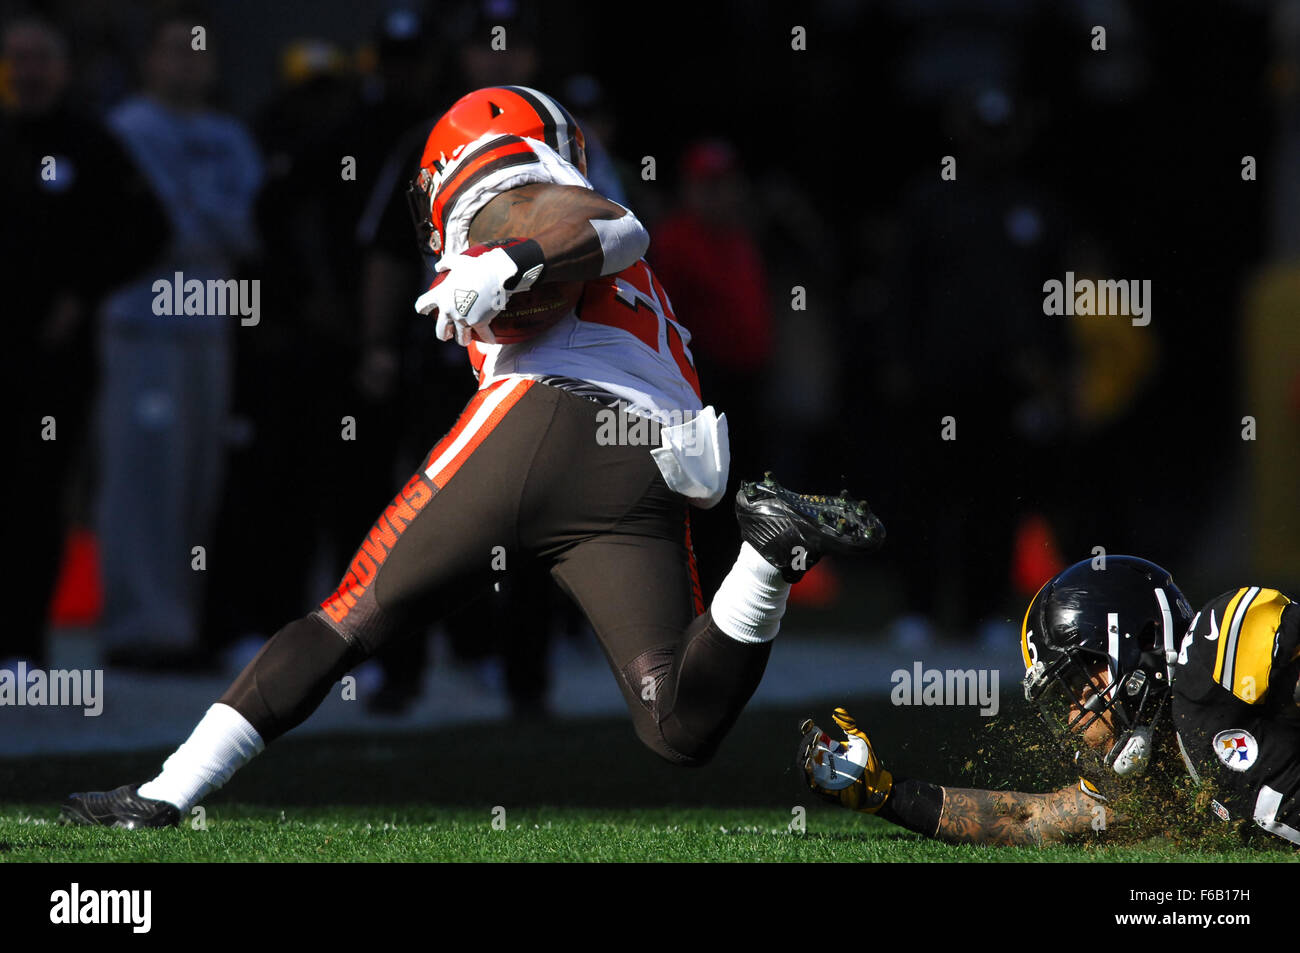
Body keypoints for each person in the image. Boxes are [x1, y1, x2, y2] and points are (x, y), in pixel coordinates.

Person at [60, 86, 884, 828]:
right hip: (649, 456)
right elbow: (614, 232)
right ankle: (769, 557)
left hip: (549, 418)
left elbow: (610, 227)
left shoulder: (508, 189)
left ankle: (165, 791)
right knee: (679, 723)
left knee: (349, 615)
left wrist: (507, 259)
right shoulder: (574, 214)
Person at [798, 556, 1300, 846]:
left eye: (1077, 683)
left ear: (1135, 643)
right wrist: (887, 795)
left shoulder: (1215, 657)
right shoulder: (1158, 770)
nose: (1072, 713)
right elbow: (1031, 821)